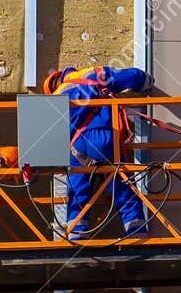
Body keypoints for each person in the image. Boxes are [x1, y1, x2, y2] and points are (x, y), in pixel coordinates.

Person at [42, 64, 151, 238]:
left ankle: (77, 232)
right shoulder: (95, 74)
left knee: (77, 188)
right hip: (106, 138)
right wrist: (148, 82)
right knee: (121, 184)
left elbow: (50, 137)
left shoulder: (57, 97)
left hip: (79, 145)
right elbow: (133, 76)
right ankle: (136, 231)